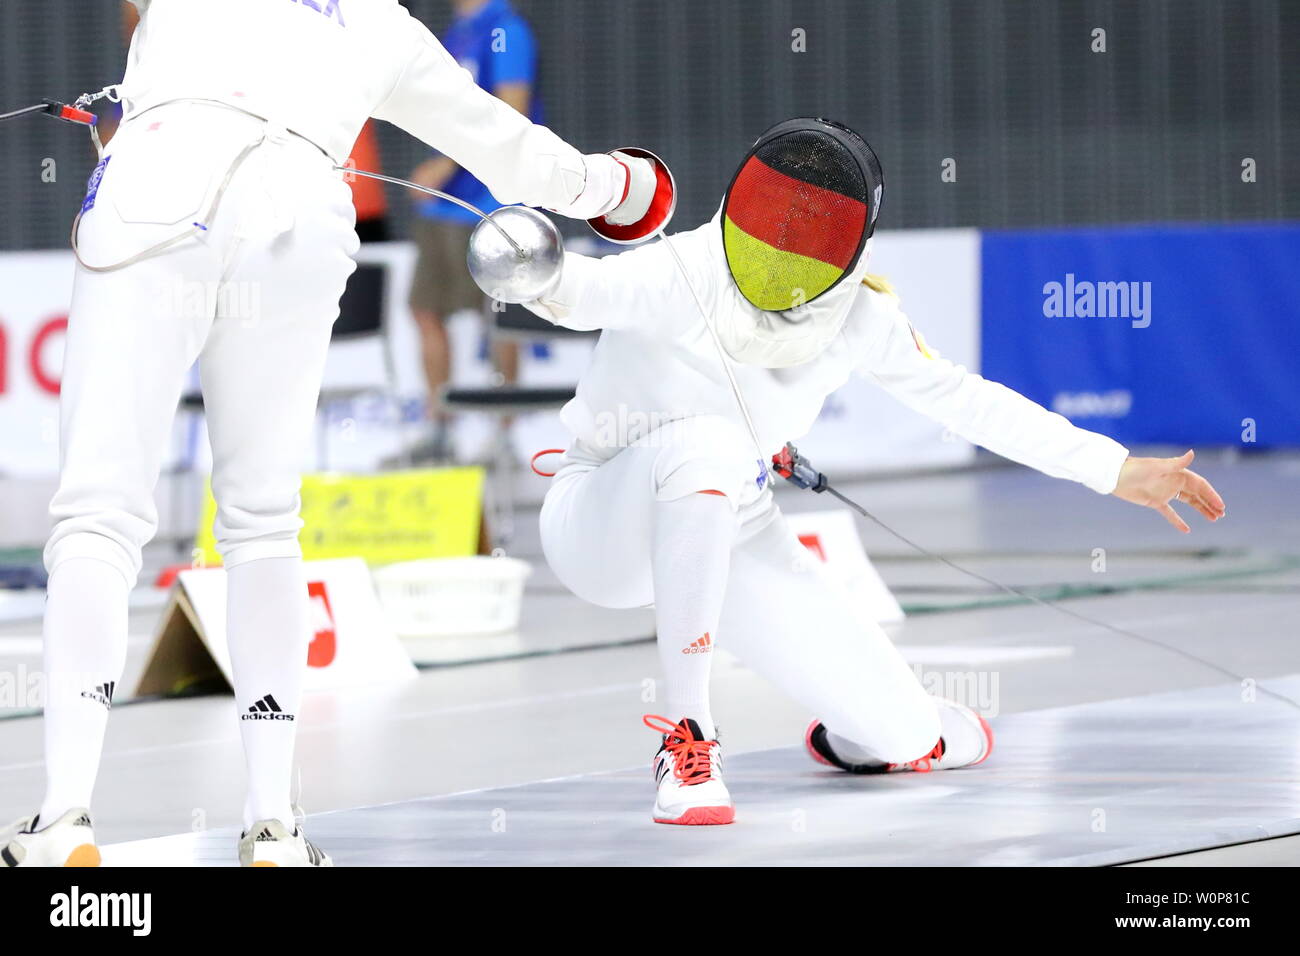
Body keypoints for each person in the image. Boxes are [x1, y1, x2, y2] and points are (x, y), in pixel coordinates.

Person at [0, 0, 667, 866]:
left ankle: (63, 822)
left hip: (158, 177)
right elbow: (508, 147)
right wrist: (623, 189)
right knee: (263, 520)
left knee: (97, 514)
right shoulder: (381, 24)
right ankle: (274, 823)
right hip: (302, 210)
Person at [522, 118, 1226, 825]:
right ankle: (688, 741)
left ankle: (889, 724)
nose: (790, 235)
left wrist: (1113, 469)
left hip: (733, 524)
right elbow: (574, 290)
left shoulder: (860, 316)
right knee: (703, 443)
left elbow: (964, 401)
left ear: (851, 240)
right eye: (780, 209)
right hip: (601, 522)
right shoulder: (674, 270)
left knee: (909, 740)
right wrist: (525, 262)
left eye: (815, 221)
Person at [405, 0, 543, 463]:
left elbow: (513, 115)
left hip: (488, 204)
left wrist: (444, 165)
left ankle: (503, 433)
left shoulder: (506, 31)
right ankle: (441, 425)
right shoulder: (459, 31)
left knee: (500, 318)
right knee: (425, 310)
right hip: (446, 209)